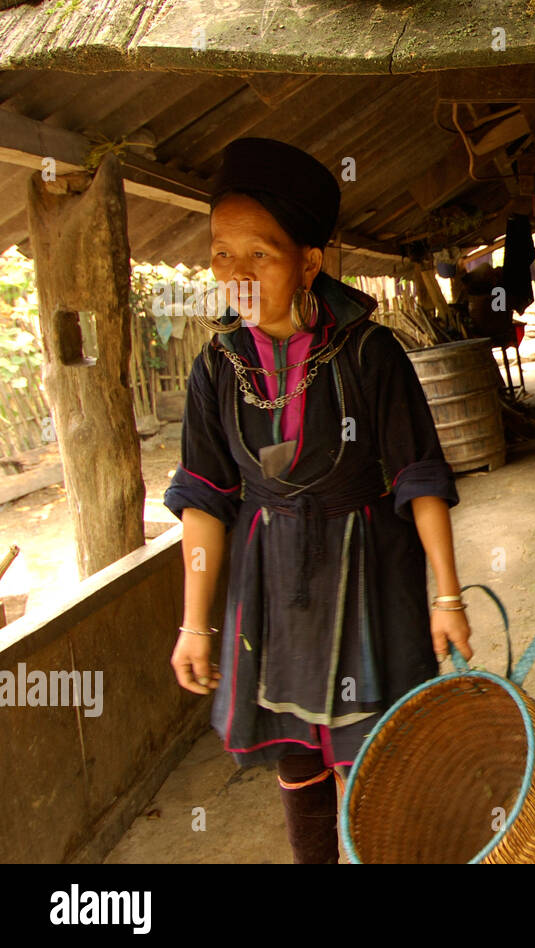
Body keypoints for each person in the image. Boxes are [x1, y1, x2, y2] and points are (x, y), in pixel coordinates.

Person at [163, 137, 473, 863]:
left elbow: (419, 477)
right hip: (272, 575)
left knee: (365, 752)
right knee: (297, 754)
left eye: (260, 255)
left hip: (367, 565)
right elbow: (205, 497)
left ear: (309, 261)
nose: (236, 275)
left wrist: (448, 597)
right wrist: (193, 624)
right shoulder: (217, 367)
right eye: (220, 256)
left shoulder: (370, 354)